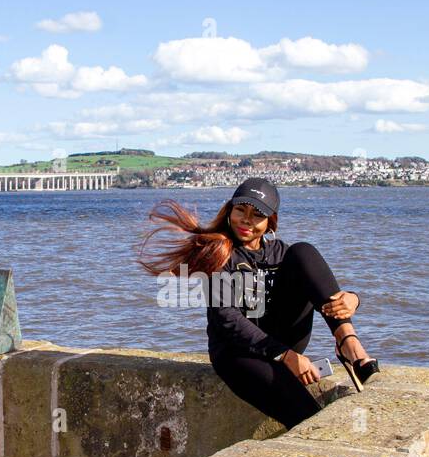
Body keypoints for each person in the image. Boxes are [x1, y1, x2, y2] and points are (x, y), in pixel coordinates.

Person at [137, 177, 379, 429]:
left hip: (281, 341)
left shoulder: (281, 253)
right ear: (230, 209)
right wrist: (285, 356)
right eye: (240, 210)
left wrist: (354, 298)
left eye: (257, 214)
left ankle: (349, 345)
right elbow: (227, 318)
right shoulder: (218, 253)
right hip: (239, 354)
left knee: (304, 251)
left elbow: (319, 285)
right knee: (309, 418)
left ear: (270, 221)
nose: (246, 220)